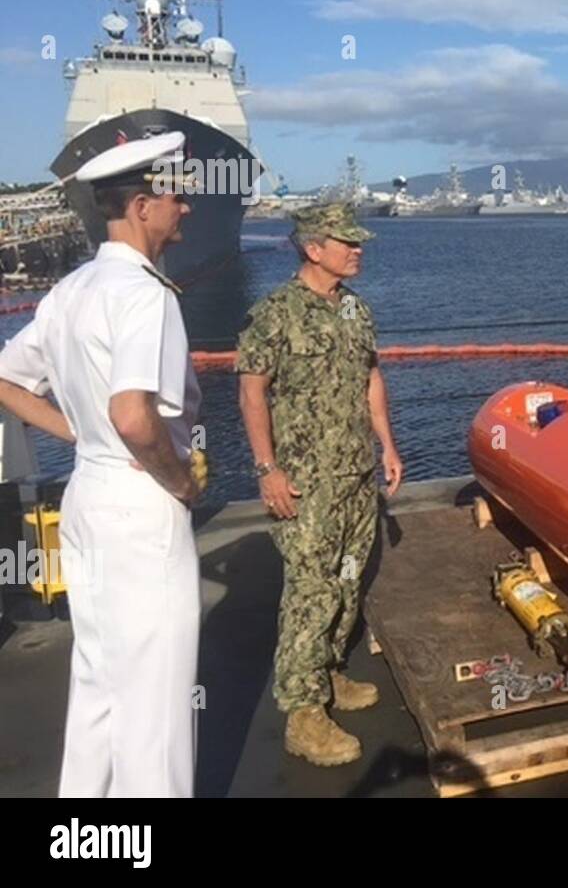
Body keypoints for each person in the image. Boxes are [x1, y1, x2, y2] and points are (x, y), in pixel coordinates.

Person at [0, 132, 203, 797]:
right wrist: (179, 479)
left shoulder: (70, 290)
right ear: (143, 205)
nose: (187, 209)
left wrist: (77, 433)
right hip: (140, 503)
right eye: (176, 195)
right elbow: (133, 415)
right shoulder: (147, 294)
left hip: (88, 496)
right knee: (159, 707)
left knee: (99, 684)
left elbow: (7, 377)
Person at [236, 203, 403, 767]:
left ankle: (330, 673)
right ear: (313, 248)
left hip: (356, 475)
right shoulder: (275, 313)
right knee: (311, 591)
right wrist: (267, 470)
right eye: (346, 242)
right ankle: (303, 715)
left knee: (350, 577)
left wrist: (387, 444)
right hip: (306, 483)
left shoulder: (356, 310)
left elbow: (370, 376)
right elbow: (252, 392)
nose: (358, 250)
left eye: (358, 242)